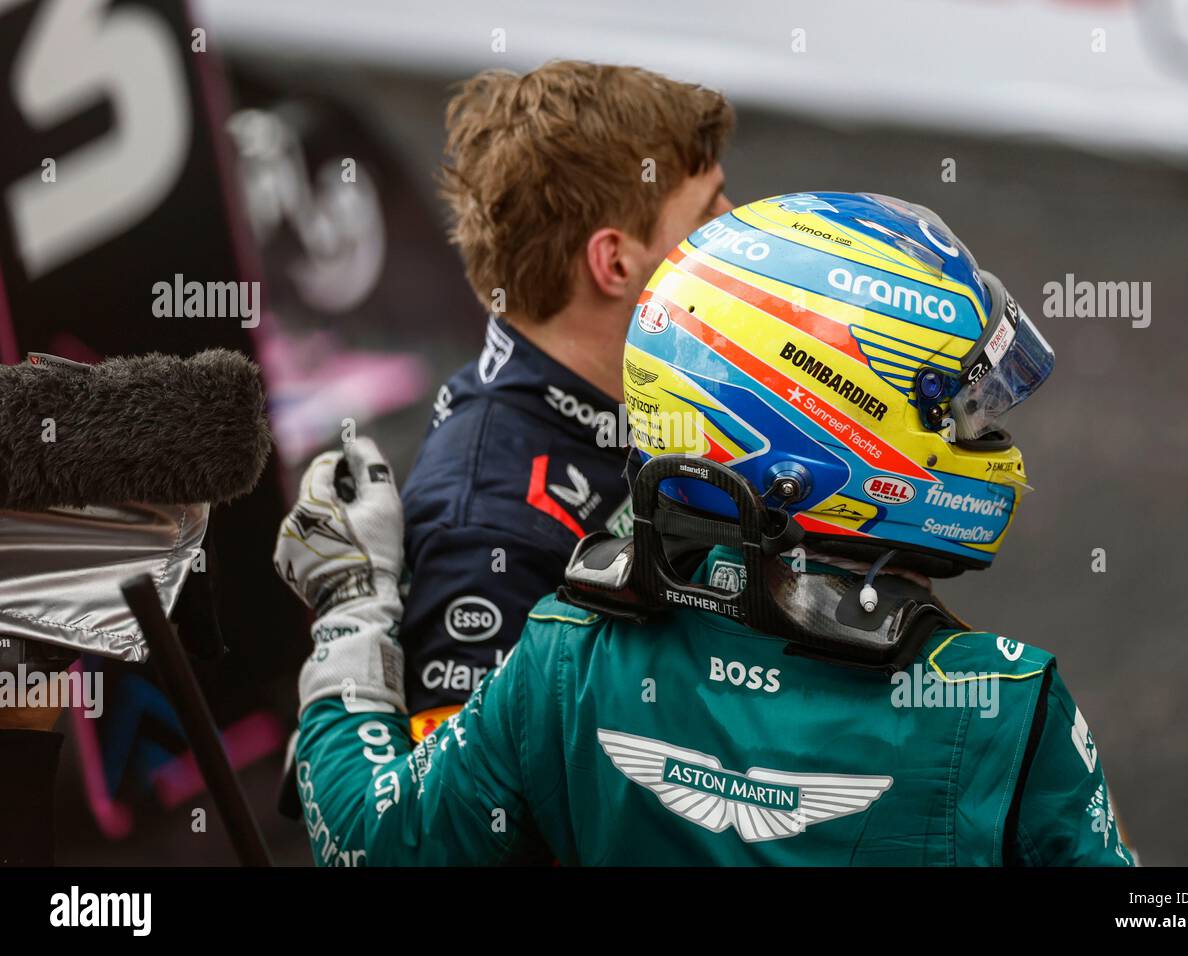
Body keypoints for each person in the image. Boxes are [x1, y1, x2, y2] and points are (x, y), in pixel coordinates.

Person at [275, 192, 1134, 865]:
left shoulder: (566, 659)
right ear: (838, 432)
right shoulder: (1005, 706)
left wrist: (352, 599)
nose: (986, 438)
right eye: (966, 411)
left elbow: (378, 842)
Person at [398, 61, 734, 740]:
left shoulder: (654, 388)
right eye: (707, 215)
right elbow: (463, 827)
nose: (737, 230)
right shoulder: (487, 528)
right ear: (614, 263)